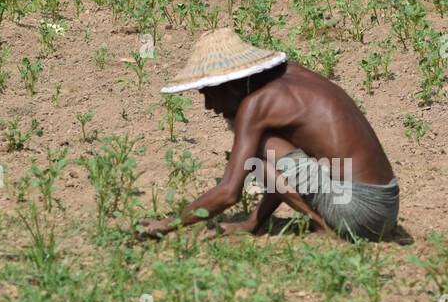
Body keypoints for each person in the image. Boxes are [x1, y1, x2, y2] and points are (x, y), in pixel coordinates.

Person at [138, 28, 399, 241]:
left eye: (208, 93)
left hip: (358, 213)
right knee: (268, 150)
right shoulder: (292, 75)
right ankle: (257, 223)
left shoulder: (256, 105)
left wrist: (167, 224)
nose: (208, 106)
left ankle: (324, 227)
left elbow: (229, 192)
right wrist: (253, 221)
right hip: (386, 206)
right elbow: (286, 168)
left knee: (258, 153)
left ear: (229, 83)